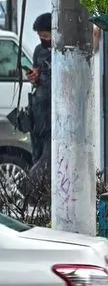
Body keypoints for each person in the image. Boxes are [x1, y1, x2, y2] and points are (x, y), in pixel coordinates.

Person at [22, 12, 52, 198]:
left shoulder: (63, 51)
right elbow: (37, 76)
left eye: (46, 36)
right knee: (37, 152)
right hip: (39, 110)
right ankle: (40, 196)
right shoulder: (38, 51)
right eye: (40, 36)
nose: (43, 40)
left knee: (47, 157)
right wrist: (34, 77)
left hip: (53, 112)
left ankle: (30, 190)